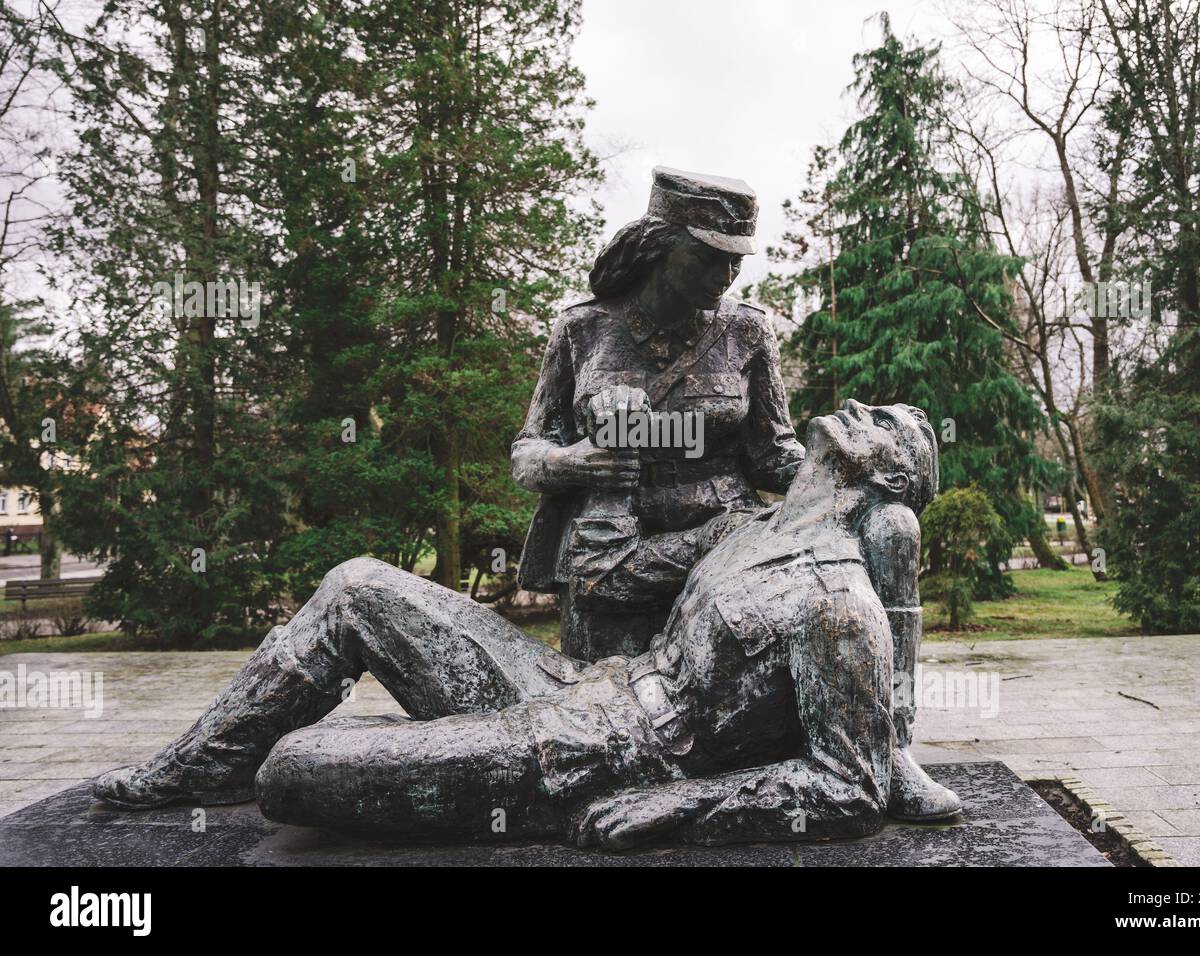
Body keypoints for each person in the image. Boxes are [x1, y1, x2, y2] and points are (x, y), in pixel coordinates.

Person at [92, 401, 960, 847]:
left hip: (606, 755)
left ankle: (437, 759)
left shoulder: (841, 606)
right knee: (357, 586)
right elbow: (612, 571)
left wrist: (676, 804)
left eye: (889, 427)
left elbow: (848, 790)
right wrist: (598, 475)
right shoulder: (749, 526)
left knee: (292, 774)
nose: (864, 413)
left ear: (890, 480)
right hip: (579, 690)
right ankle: (197, 768)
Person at [512, 166, 805, 662]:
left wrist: (839, 472)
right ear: (659, 246)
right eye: (709, 258)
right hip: (609, 546)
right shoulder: (583, 329)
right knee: (603, 712)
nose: (725, 276)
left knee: (725, 713)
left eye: (735, 262)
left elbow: (773, 452)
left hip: (723, 545)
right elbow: (526, 453)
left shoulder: (748, 332)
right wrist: (573, 462)